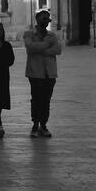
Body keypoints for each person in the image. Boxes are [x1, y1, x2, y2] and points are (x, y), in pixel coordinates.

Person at [23, 9, 62, 138]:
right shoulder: (29, 34)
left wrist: (42, 49)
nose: (46, 22)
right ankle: (35, 124)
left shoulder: (52, 35)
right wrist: (46, 45)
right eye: (43, 19)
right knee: (36, 99)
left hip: (50, 73)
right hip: (35, 73)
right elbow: (30, 48)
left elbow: (57, 50)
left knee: (46, 100)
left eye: (47, 19)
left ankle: (43, 125)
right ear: (37, 19)